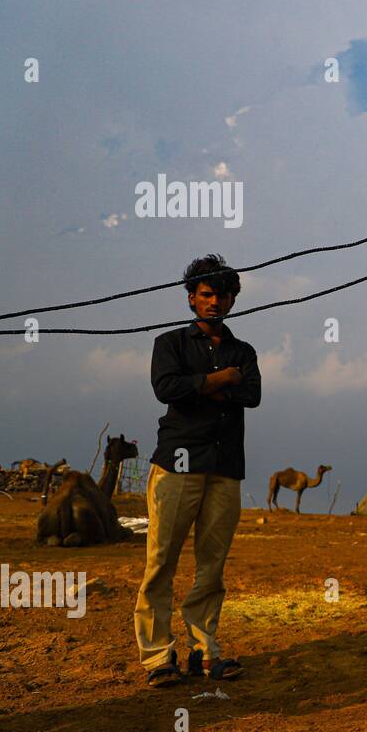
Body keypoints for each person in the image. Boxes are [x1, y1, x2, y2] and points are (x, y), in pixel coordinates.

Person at [135, 254, 261, 688]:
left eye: (222, 295)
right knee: (161, 562)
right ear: (191, 298)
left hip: (225, 466)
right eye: (206, 294)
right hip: (178, 462)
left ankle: (206, 651)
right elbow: (166, 389)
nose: (215, 302)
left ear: (231, 300)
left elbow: (252, 394)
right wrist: (223, 379)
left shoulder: (242, 351)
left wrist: (207, 385)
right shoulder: (169, 344)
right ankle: (156, 658)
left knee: (212, 566)